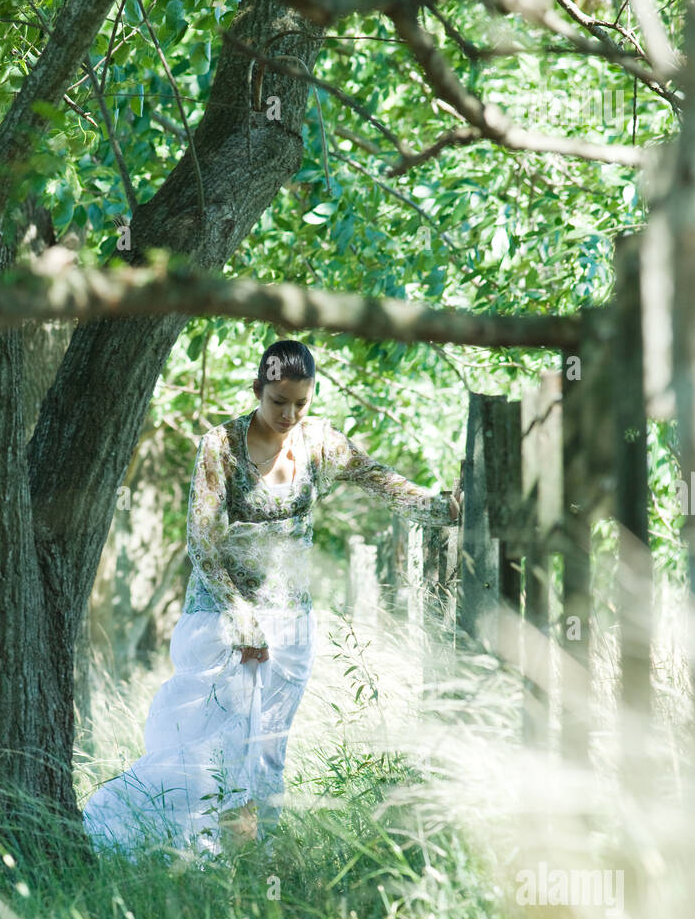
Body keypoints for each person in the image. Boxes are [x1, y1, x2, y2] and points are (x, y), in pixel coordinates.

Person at [82, 339, 462, 859]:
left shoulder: (319, 443)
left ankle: (255, 870)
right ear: (257, 390)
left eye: (300, 403)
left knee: (264, 759)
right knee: (207, 755)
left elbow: (380, 481)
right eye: (277, 401)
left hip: (290, 627)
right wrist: (242, 618)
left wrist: (445, 508)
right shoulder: (220, 445)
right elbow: (202, 541)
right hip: (221, 621)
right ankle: (144, 844)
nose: (288, 413)